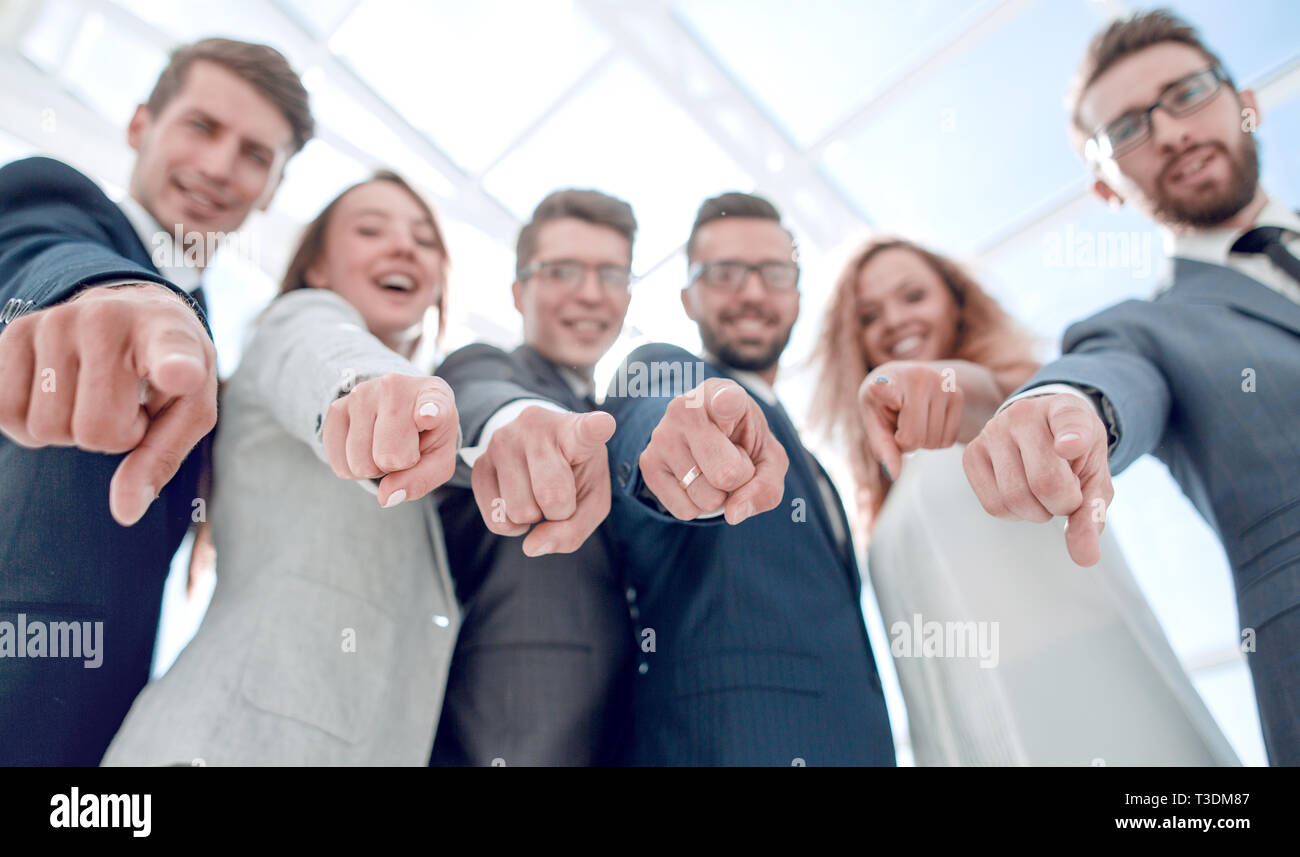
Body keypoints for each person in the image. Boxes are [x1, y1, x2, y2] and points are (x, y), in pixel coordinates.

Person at [962, 9, 1300, 766]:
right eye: (1127, 130)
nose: (1172, 132)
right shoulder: (1147, 331)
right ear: (1105, 185)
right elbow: (1107, 377)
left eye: (1186, 93)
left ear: (1243, 99)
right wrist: (1063, 408)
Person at [0, 38, 313, 766]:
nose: (218, 167)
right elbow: (39, 256)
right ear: (141, 123)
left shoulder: (212, 343)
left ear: (270, 190)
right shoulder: (61, 210)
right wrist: (114, 295)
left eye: (254, 155)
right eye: (201, 127)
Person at [812, 235, 1238, 765]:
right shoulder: (888, 490)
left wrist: (956, 388)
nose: (894, 320)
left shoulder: (1023, 395)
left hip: (1086, 702)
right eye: (869, 315)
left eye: (913, 296)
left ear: (956, 302)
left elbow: (996, 395)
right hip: (957, 730)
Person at [103, 171, 460, 765]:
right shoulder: (297, 318)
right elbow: (322, 356)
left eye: (424, 239)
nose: (403, 247)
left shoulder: (441, 415)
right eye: (371, 230)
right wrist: (363, 391)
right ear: (316, 268)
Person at [600, 192, 895, 765]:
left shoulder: (814, 462)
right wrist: (678, 446)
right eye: (725, 274)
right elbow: (652, 413)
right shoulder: (666, 371)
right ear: (688, 297)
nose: (752, 292)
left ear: (797, 294)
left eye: (773, 273)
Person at [431, 189, 636, 766]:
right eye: (562, 271)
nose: (590, 293)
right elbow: (477, 399)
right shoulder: (485, 367)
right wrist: (514, 423)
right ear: (520, 291)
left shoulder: (625, 421)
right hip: (506, 735)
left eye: (611, 274)